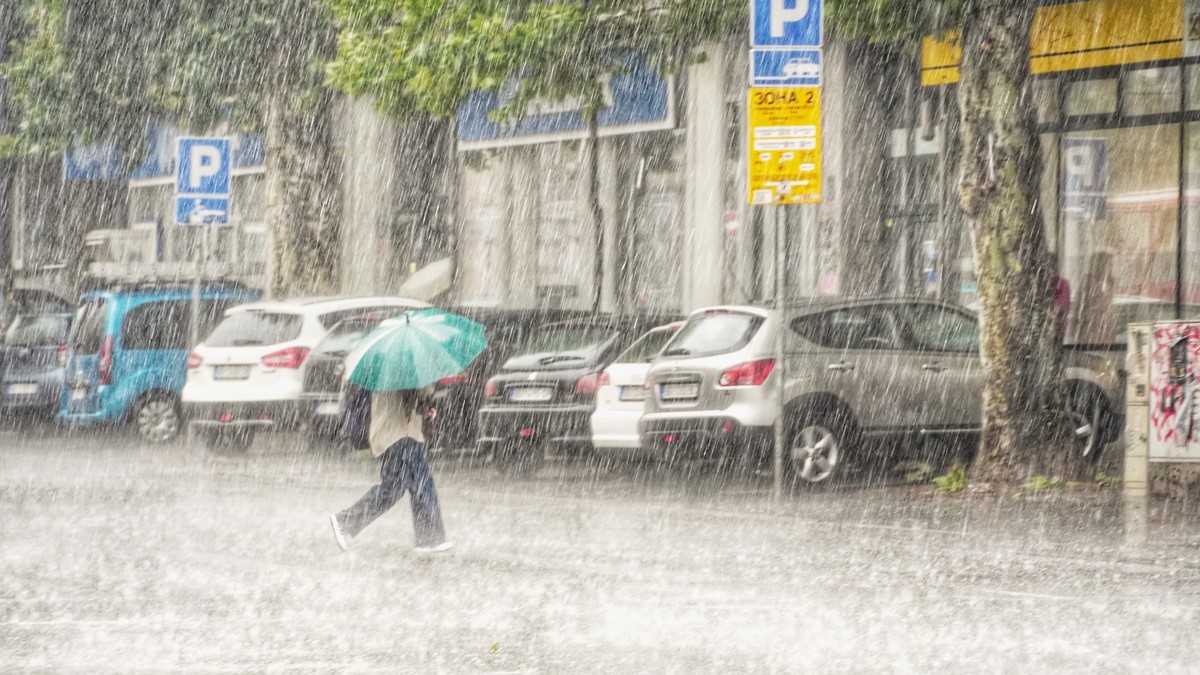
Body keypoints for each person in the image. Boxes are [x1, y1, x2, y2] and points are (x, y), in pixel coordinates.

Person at [329, 384, 452, 554]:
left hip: (389, 433)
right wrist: (426, 400)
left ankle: (345, 522)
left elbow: (411, 400)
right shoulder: (404, 367)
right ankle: (429, 538)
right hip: (398, 434)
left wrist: (426, 408)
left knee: (392, 489)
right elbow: (413, 394)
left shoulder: (391, 369)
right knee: (422, 482)